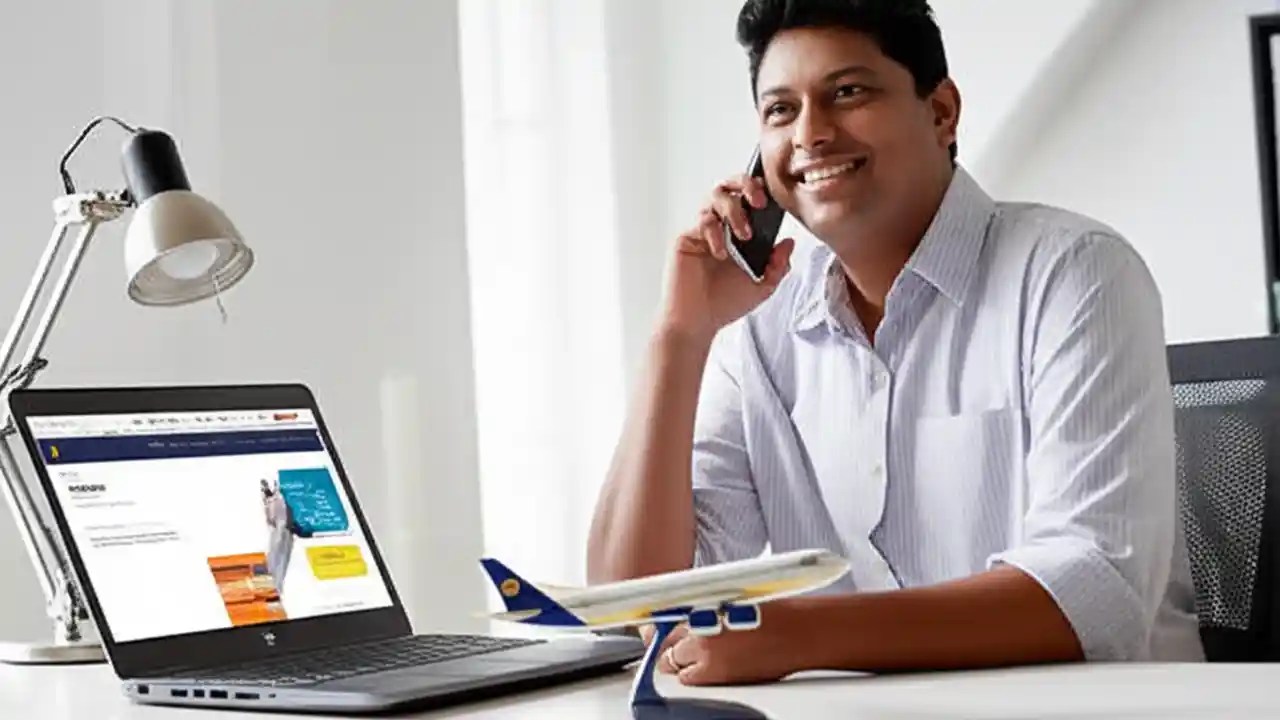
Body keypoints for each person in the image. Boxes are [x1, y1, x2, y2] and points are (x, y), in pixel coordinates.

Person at [585, 0, 1203, 686]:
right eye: (781, 110)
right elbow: (633, 610)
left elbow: (1096, 591)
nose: (811, 134)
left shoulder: (1074, 272)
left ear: (941, 112)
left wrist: (803, 634)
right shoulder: (758, 330)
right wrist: (680, 337)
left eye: (848, 93)